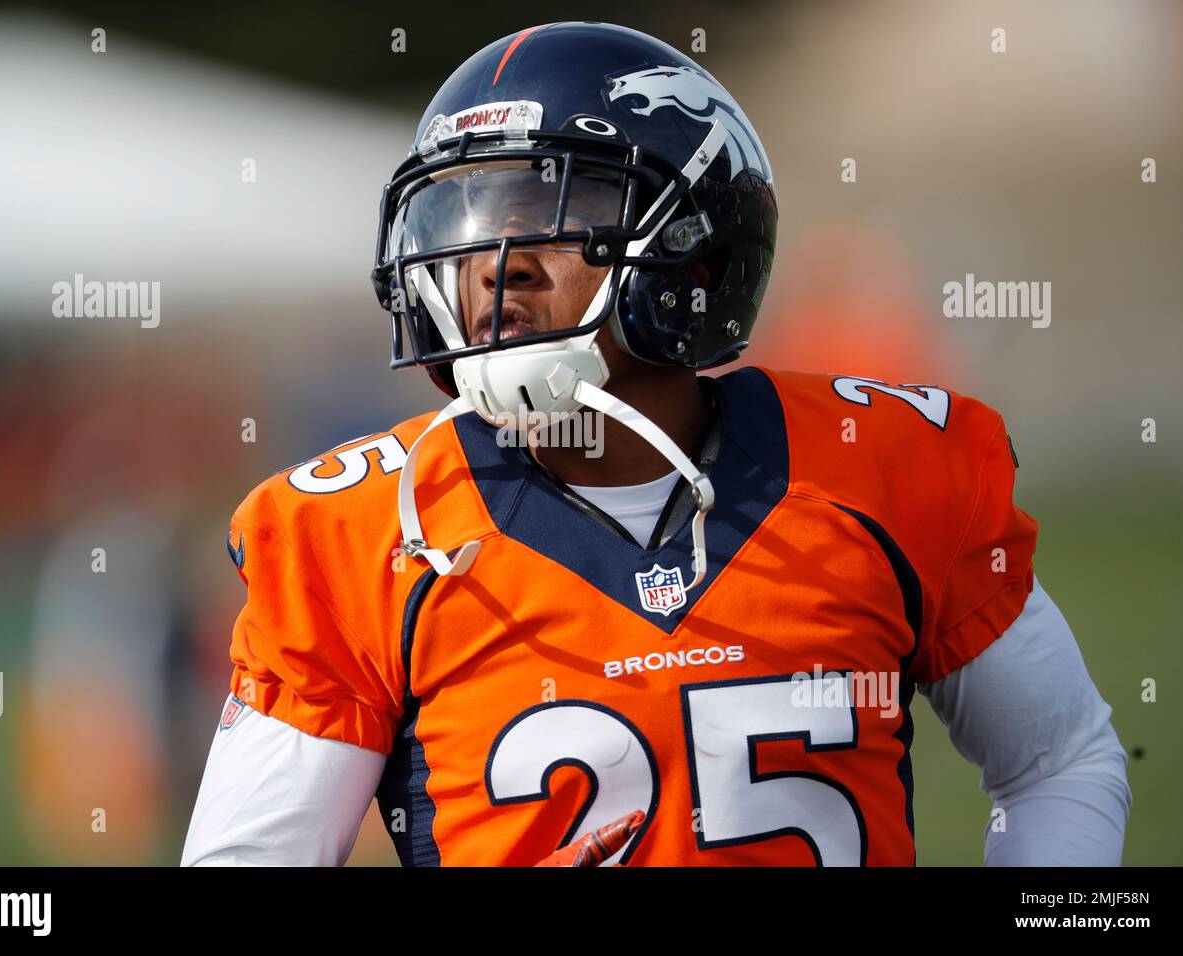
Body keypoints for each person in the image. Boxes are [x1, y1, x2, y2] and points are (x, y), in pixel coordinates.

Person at [183, 21, 1130, 866]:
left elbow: (1059, 763)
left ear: (694, 248)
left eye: (549, 207)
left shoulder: (879, 467)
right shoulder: (361, 533)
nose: (492, 259)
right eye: (465, 215)